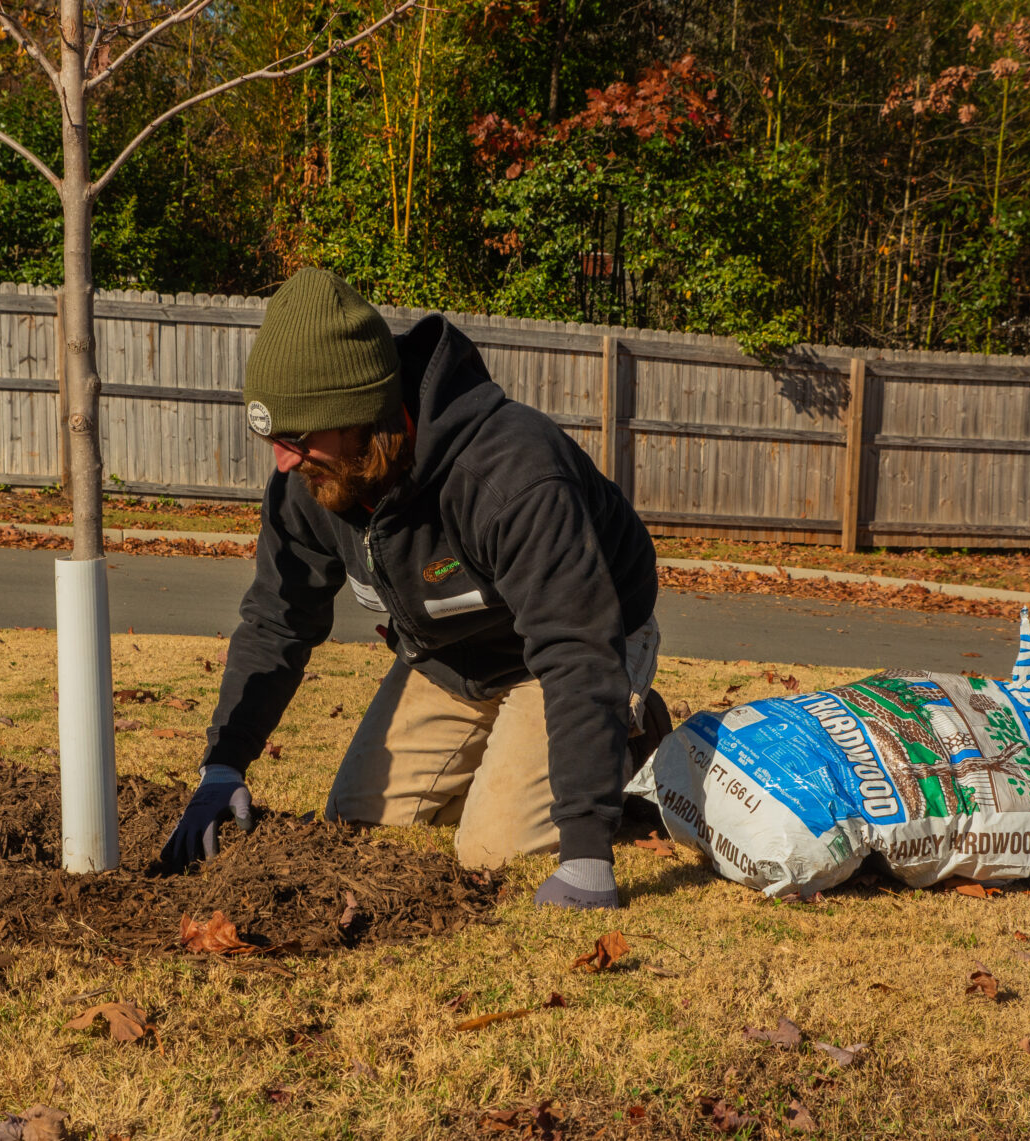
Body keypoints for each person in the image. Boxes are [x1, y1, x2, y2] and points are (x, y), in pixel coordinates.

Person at [158, 267, 665, 908]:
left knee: (492, 848)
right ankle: (506, 758)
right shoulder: (308, 484)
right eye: (271, 440)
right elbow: (277, 620)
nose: (281, 460)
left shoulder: (509, 475)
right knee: (357, 829)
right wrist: (224, 762)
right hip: (452, 659)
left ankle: (632, 737)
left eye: (296, 438)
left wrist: (589, 853)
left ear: (358, 414)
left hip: (586, 639)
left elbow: (575, 647)